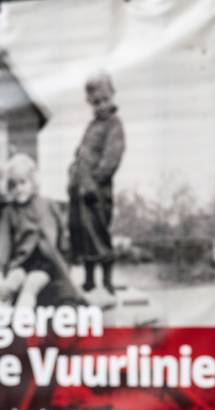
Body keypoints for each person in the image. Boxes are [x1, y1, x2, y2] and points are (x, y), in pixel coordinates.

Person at [0, 153, 81, 309]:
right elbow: (3, 243)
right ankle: (2, 299)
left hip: (45, 263)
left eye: (22, 183)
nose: (18, 189)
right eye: (13, 185)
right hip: (21, 261)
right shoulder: (9, 211)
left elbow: (61, 237)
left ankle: (22, 314)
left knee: (31, 284)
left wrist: (65, 261)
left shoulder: (47, 205)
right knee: (13, 279)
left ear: (33, 182)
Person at [68, 71, 125, 295]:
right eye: (96, 102)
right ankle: (90, 280)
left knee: (98, 232)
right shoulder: (92, 126)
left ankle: (108, 282)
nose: (101, 106)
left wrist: (97, 179)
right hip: (80, 188)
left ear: (112, 96)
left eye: (105, 100)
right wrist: (74, 174)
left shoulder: (114, 125)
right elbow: (81, 153)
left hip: (97, 191)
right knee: (83, 233)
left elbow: (113, 156)